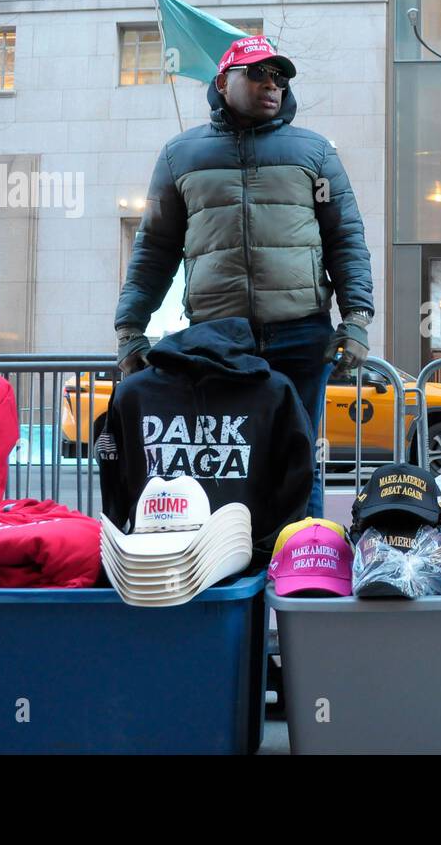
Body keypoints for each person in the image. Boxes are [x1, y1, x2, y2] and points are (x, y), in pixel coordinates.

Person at [114, 35, 374, 518]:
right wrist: (130, 328)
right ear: (223, 82)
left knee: (299, 457)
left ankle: (299, 569)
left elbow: (346, 238)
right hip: (215, 341)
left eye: (279, 76)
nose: (271, 84)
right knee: (226, 461)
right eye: (257, 73)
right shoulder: (179, 155)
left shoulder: (315, 152)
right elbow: (154, 248)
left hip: (301, 335)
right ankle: (233, 568)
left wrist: (356, 318)